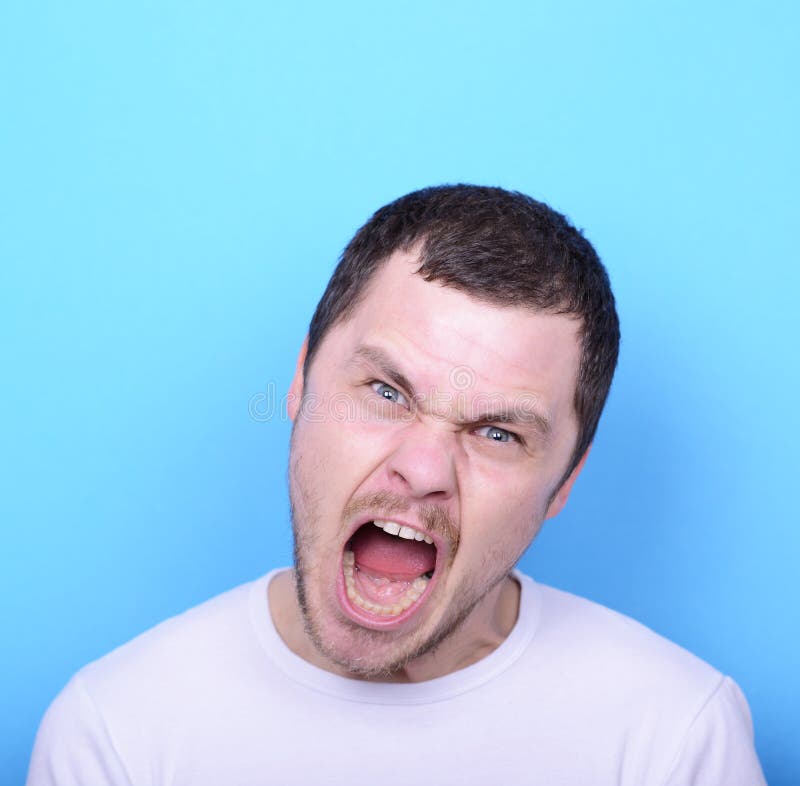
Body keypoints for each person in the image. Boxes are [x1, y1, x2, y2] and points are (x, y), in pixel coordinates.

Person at [27, 185, 766, 785]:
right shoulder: (115, 735)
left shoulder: (675, 739)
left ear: (565, 483)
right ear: (302, 381)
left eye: (498, 433)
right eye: (386, 393)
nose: (422, 471)